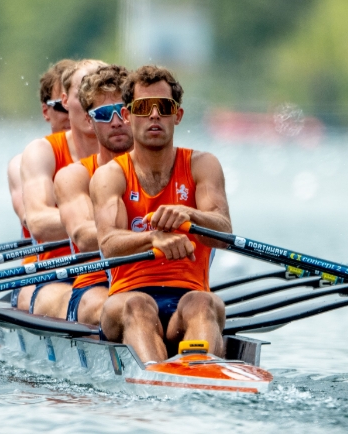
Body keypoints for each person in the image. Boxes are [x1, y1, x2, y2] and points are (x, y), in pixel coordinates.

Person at [91, 65, 231, 363]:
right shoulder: (110, 176)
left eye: (163, 107)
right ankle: (156, 379)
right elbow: (108, 244)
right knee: (139, 306)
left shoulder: (202, 165)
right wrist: (153, 238)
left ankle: (199, 373)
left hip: (189, 297)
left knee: (204, 303)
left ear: (176, 116)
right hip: (127, 298)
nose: (154, 115)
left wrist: (188, 215)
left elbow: (224, 233)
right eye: (143, 107)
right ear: (128, 116)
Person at [42, 65, 133, 325]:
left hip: (154, 283)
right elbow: (84, 236)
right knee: (131, 307)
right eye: (104, 114)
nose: (115, 121)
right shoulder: (74, 176)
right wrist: (151, 234)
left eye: (123, 113)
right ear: (91, 121)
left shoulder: (175, 168)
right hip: (94, 286)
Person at [17, 59, 107, 312]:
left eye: (103, 96)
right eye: (86, 95)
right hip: (56, 274)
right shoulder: (41, 152)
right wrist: (111, 222)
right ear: (65, 101)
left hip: (118, 270)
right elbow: (38, 223)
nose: (93, 106)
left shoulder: (131, 150)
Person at [7, 59, 74, 246]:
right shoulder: (23, 163)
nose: (72, 114)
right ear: (46, 111)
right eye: (63, 106)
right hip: (52, 269)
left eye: (80, 104)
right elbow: (32, 219)